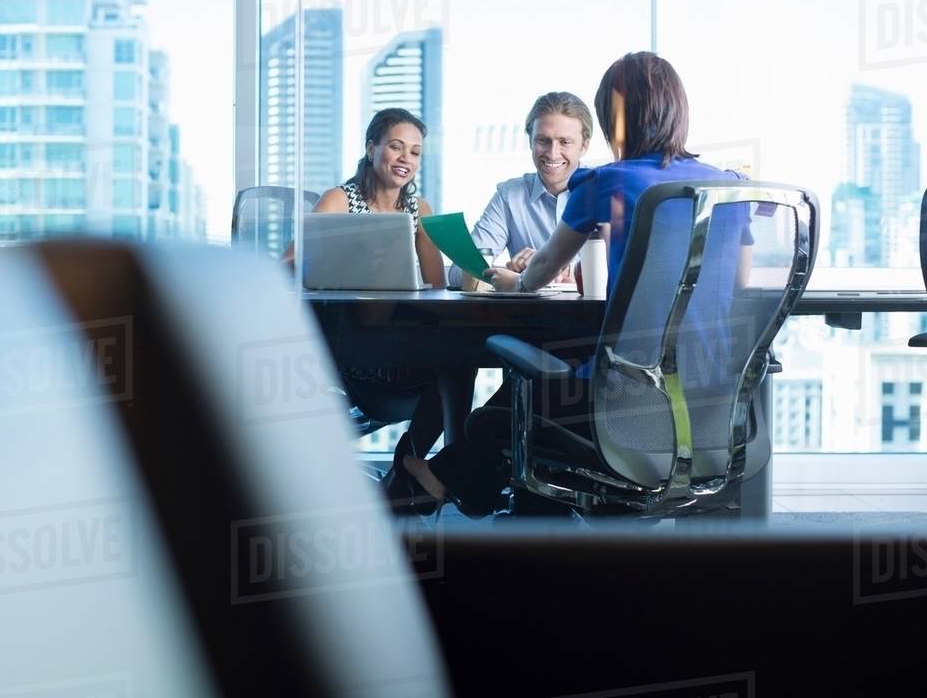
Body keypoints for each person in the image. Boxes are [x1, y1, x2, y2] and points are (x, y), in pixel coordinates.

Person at [402, 52, 753, 517]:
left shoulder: (604, 182)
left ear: (607, 123)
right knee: (536, 390)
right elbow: (742, 285)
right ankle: (458, 486)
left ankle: (445, 482)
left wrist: (514, 279)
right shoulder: (734, 188)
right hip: (716, 405)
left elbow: (536, 276)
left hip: (628, 407)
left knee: (494, 420)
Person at [284, 108, 470, 513]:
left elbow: (437, 286)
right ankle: (411, 474)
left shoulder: (420, 209)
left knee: (460, 362)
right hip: (352, 352)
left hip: (401, 342)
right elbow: (292, 262)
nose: (406, 158)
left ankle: (411, 465)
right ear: (372, 149)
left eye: (416, 152)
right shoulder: (341, 199)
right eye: (396, 147)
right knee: (450, 367)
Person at [448, 91, 593, 286]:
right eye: (543, 140)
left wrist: (557, 269)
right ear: (531, 141)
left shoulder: (602, 192)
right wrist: (514, 275)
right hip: (528, 314)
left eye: (564, 142)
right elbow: (459, 272)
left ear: (584, 146)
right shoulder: (510, 196)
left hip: (596, 314)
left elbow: (625, 269)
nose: (552, 153)